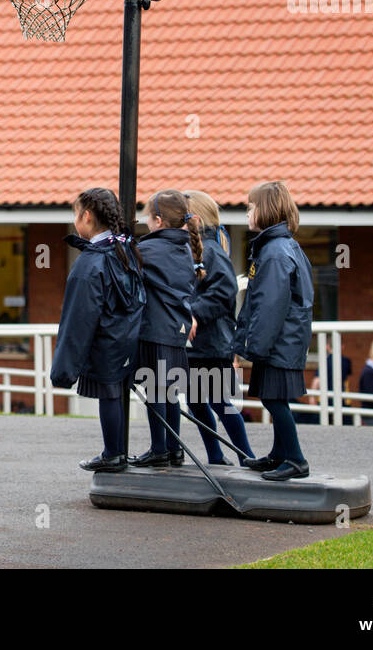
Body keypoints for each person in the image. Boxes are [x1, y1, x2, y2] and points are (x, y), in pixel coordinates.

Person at [49, 187, 144, 473]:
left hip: (105, 343)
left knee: (109, 396)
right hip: (127, 338)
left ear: (87, 216)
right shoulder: (126, 249)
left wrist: (62, 371)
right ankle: (116, 453)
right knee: (115, 393)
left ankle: (113, 454)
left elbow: (77, 321)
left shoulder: (90, 263)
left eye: (75, 213)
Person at [235, 181, 316, 481]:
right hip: (284, 343)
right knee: (272, 397)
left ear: (265, 211)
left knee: (274, 400)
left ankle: (295, 459)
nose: (246, 213)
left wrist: (254, 346)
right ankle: (279, 454)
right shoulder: (282, 247)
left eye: (250, 207)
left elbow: (270, 306)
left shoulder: (274, 252)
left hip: (277, 345)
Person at [129, 189, 203, 467]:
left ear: (158, 220)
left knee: (155, 392)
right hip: (176, 330)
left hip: (155, 329)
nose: (145, 222)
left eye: (147, 217)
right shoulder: (184, 247)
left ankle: (159, 448)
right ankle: (173, 448)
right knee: (170, 391)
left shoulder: (149, 249)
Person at [182, 190, 253, 463]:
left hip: (212, 345)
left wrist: (194, 314)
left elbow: (225, 290)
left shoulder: (211, 252)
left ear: (195, 219)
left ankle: (245, 455)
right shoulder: (206, 250)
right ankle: (217, 455)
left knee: (219, 403)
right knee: (200, 403)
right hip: (203, 345)